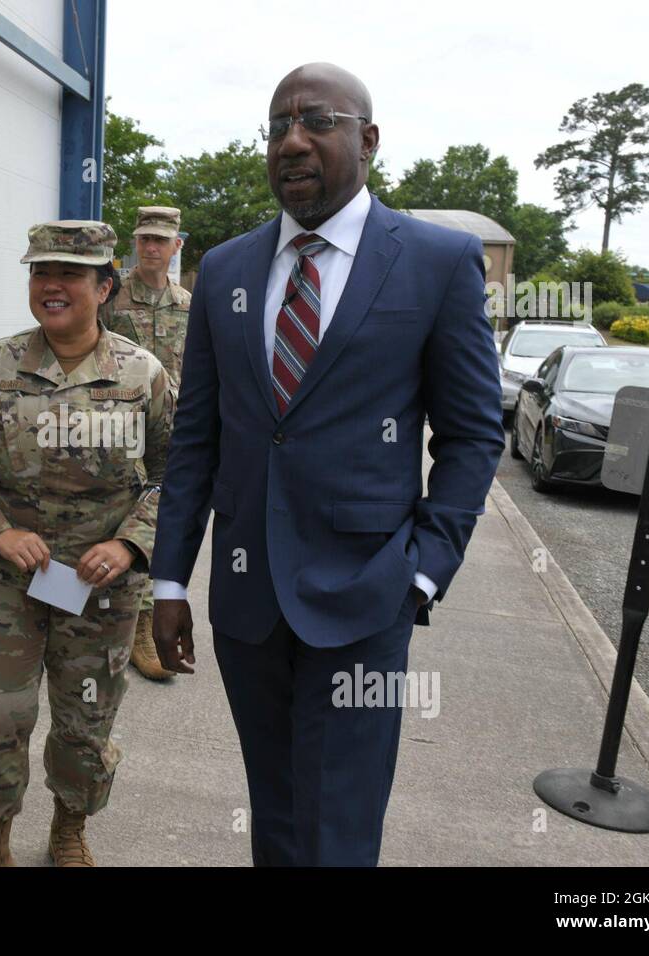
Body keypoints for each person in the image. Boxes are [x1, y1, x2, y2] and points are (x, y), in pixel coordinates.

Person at [150, 63, 504, 866]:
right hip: (247, 601)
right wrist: (171, 579)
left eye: (316, 121)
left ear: (368, 139)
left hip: (366, 599)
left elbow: (474, 434)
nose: (292, 141)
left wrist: (423, 570)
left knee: (338, 824)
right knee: (274, 814)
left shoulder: (437, 262)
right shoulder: (227, 272)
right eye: (276, 127)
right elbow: (197, 437)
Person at [0, 221, 173, 867]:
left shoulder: (142, 374)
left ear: (105, 285)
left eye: (70, 273)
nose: (52, 285)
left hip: (100, 590)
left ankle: (69, 830)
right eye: (41, 272)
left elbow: (177, 475)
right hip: (11, 580)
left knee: (84, 726)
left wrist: (129, 545)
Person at [102, 206, 191, 680]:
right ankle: (120, 616)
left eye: (160, 240)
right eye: (144, 239)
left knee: (163, 517)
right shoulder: (110, 299)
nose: (151, 247)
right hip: (117, 428)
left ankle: (145, 621)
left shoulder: (188, 305)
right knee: (119, 514)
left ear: (177, 246)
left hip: (171, 432)